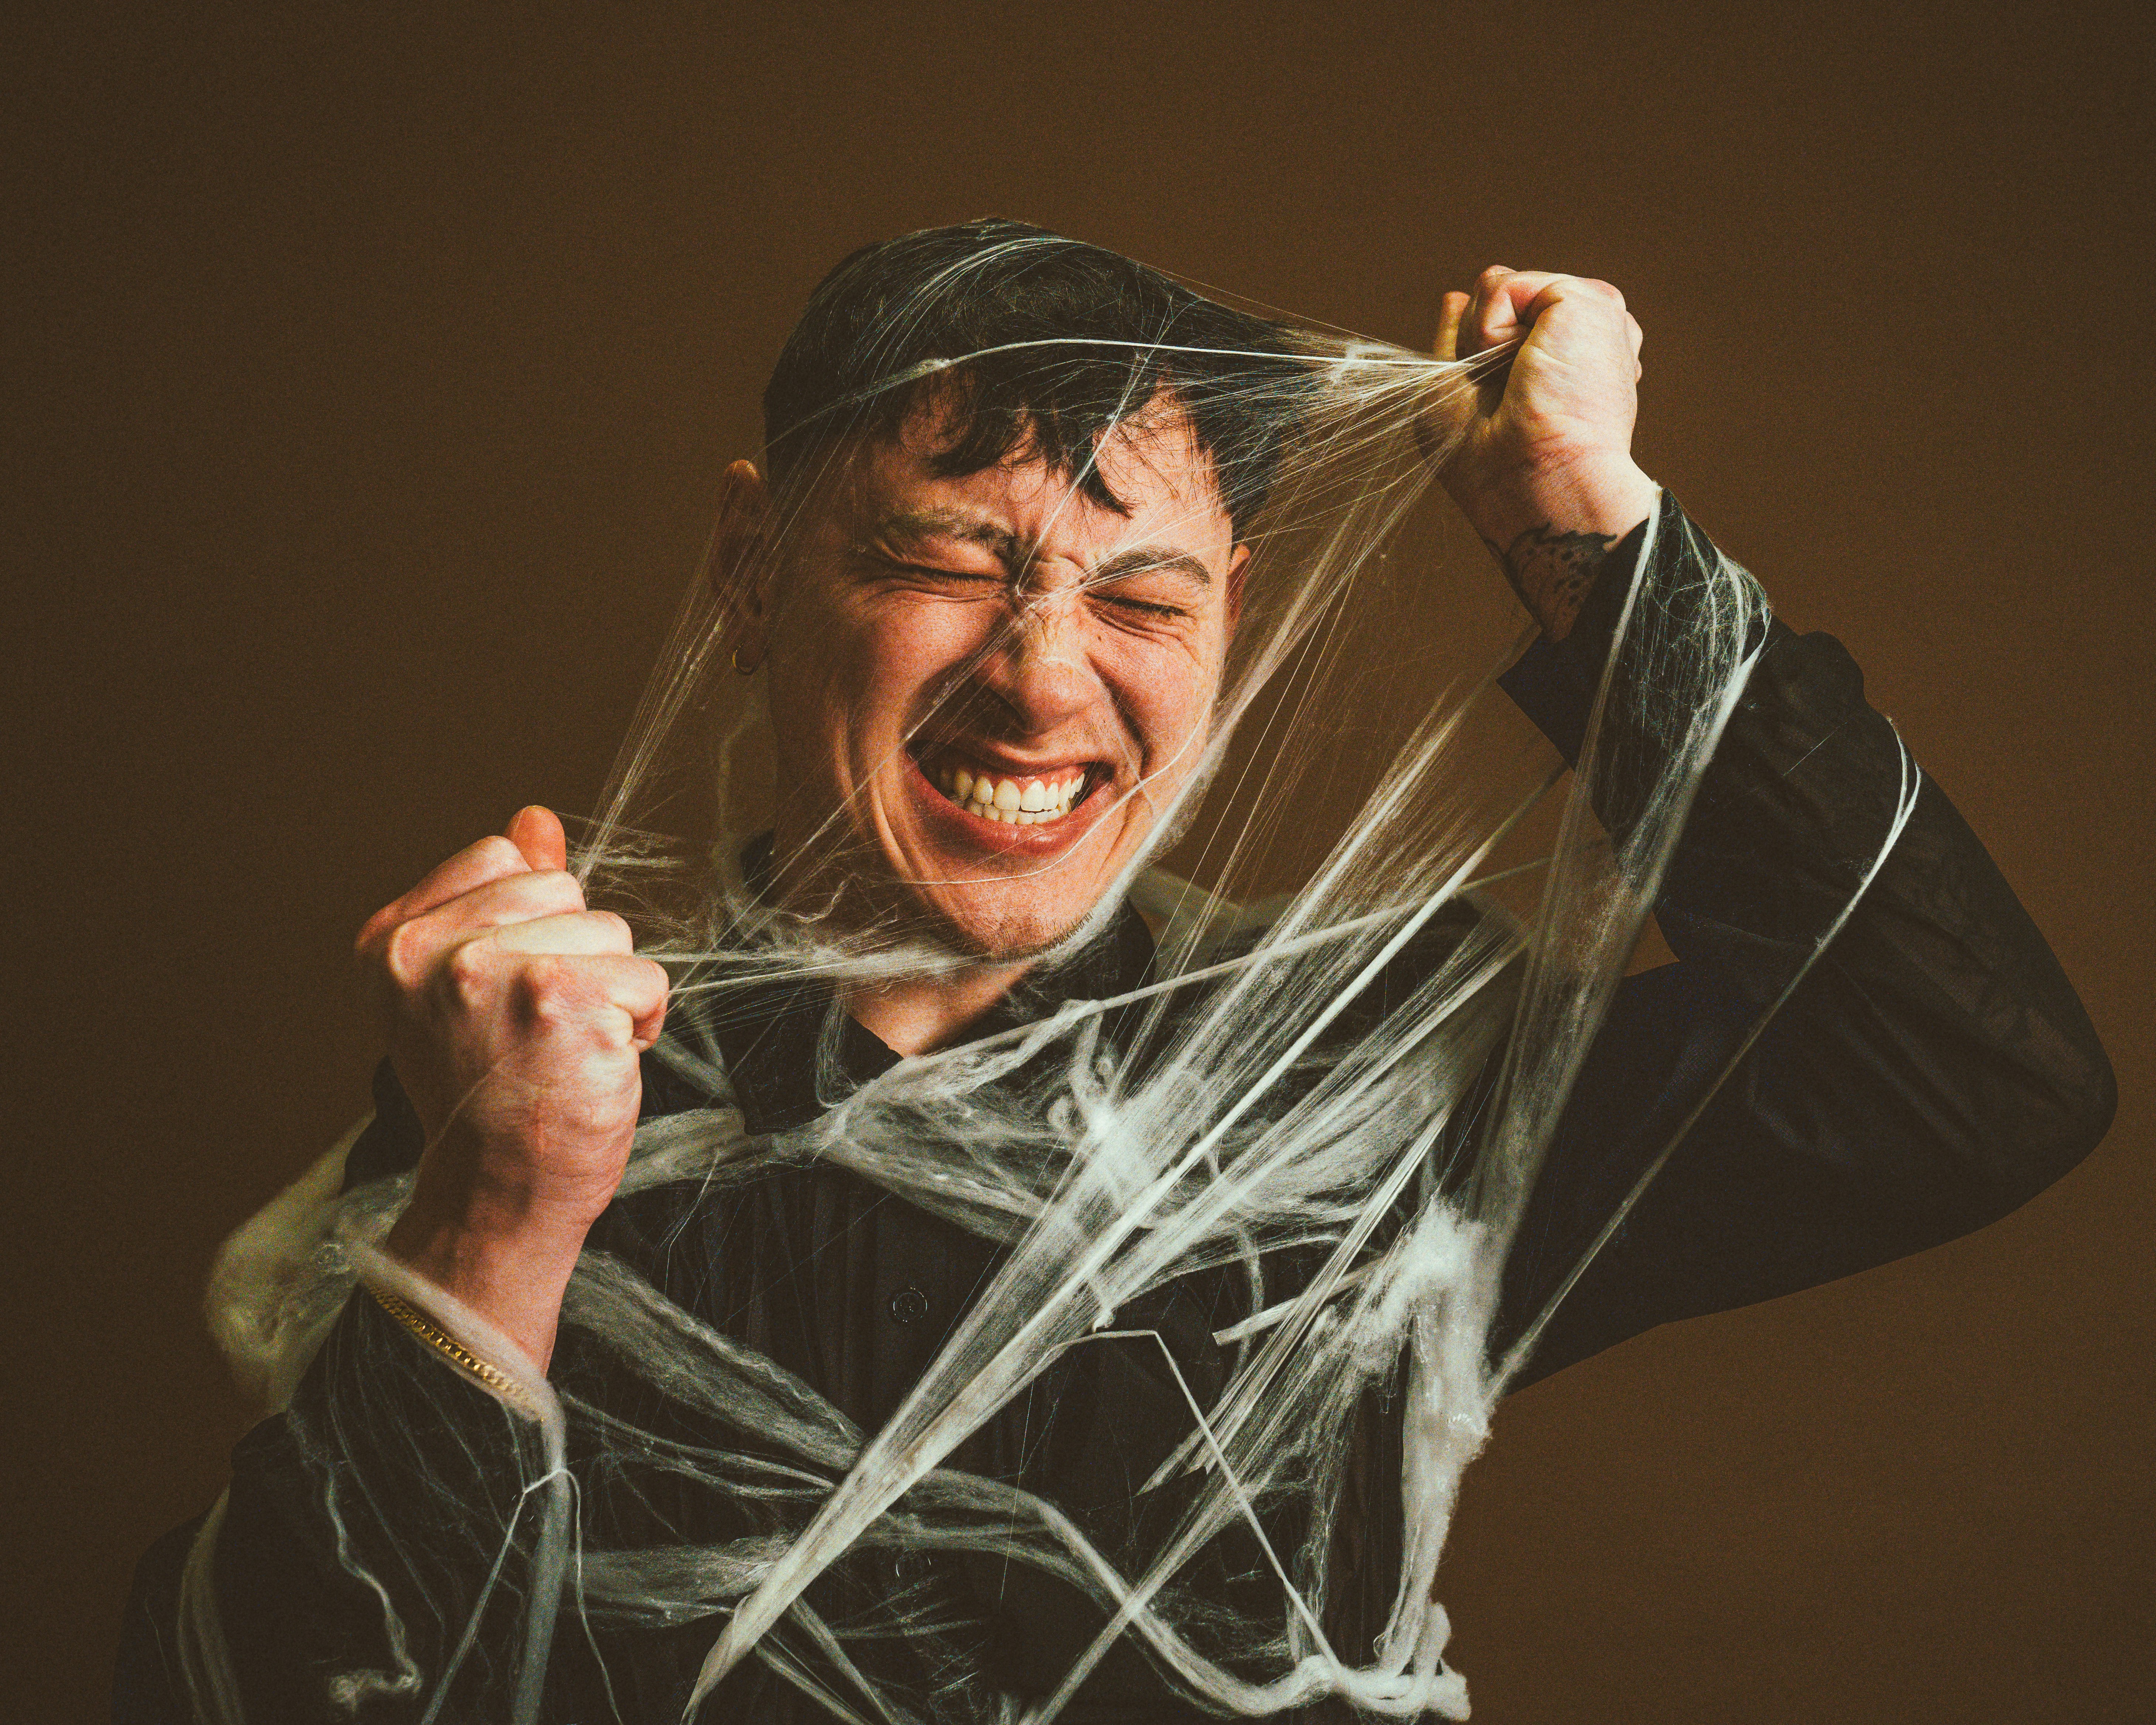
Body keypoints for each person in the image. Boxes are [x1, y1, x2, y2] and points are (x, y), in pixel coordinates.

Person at [117, 220, 2115, 1723]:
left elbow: (1969, 1070)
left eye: (1143, 596)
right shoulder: (542, 1089)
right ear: (752, 566)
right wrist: (495, 1222)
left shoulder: (1370, 1084)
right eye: (947, 564)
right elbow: (277, 1690)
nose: (1045, 680)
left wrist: (1576, 525)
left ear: (1236, 616)